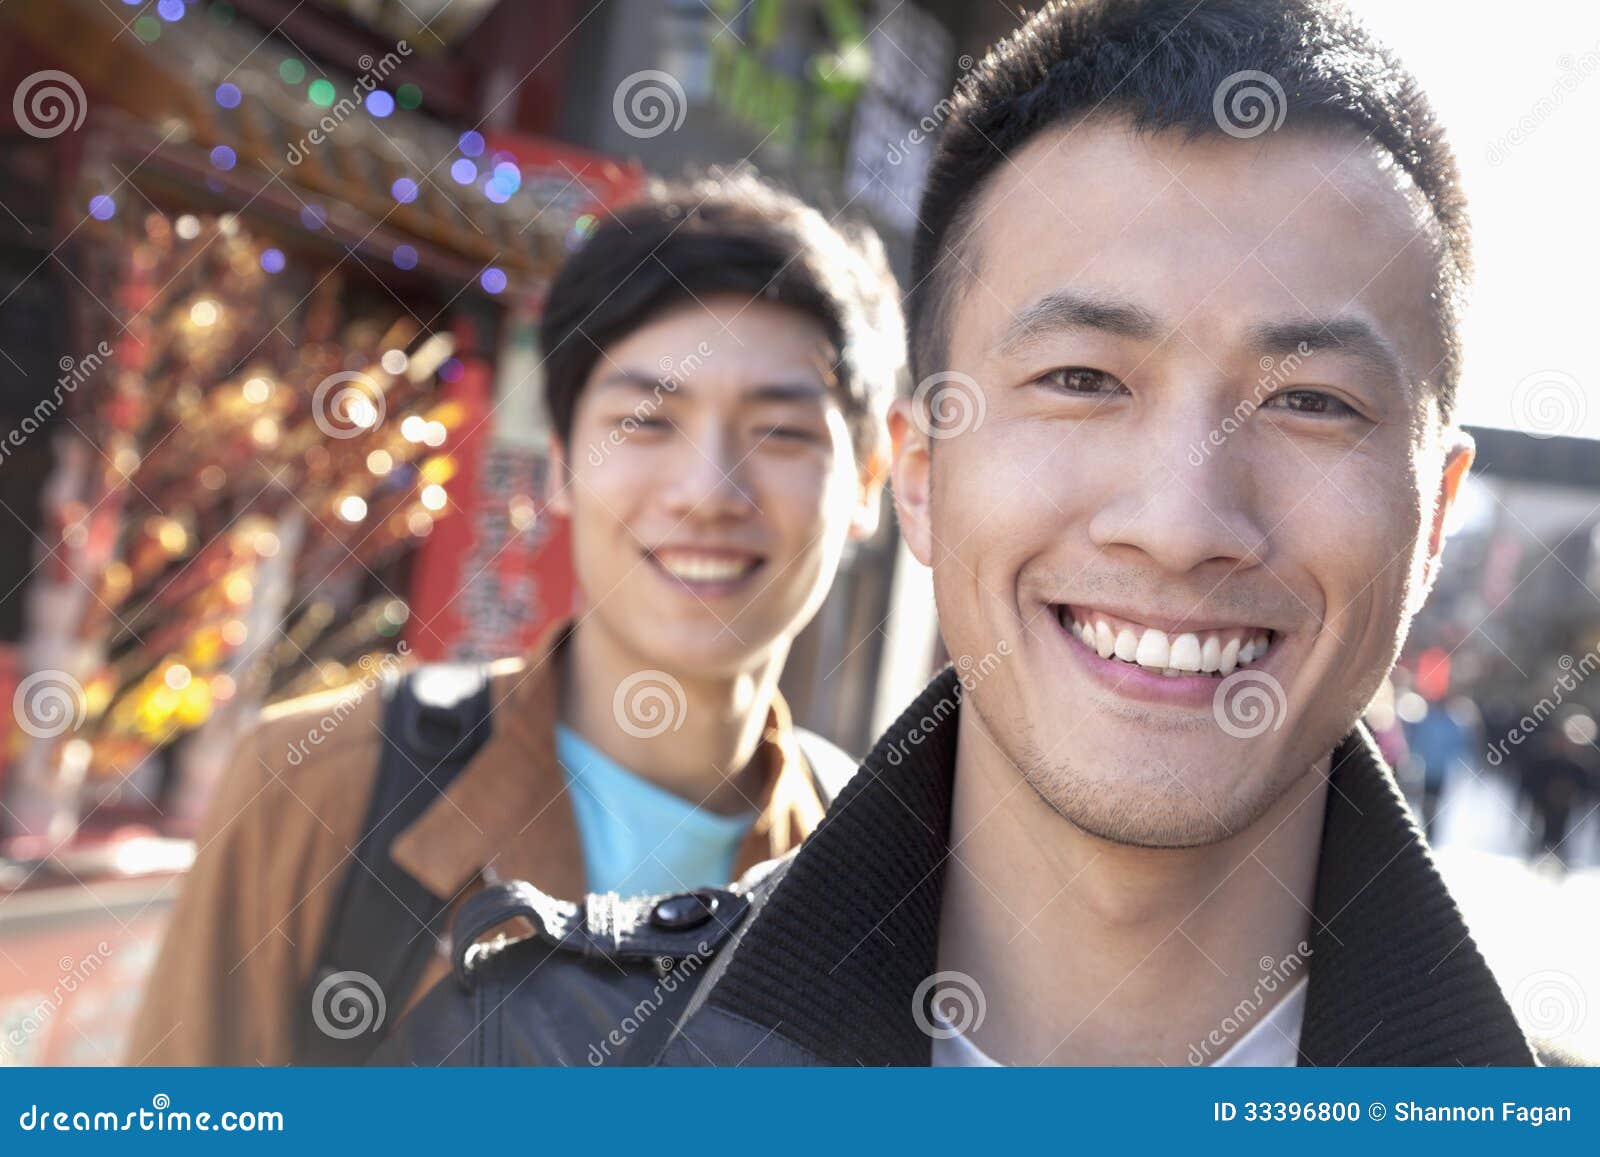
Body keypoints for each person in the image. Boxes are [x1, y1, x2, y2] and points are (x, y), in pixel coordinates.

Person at [380, 0, 1556, 1067]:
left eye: (1310, 401)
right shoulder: (527, 1058)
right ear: (925, 472)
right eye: (1084, 377)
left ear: (1437, 511)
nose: (1180, 522)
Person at [127, 170, 903, 1065]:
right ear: (564, 459)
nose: (709, 492)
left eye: (780, 431)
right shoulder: (317, 788)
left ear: (871, 480)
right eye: (648, 420)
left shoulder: (879, 874)